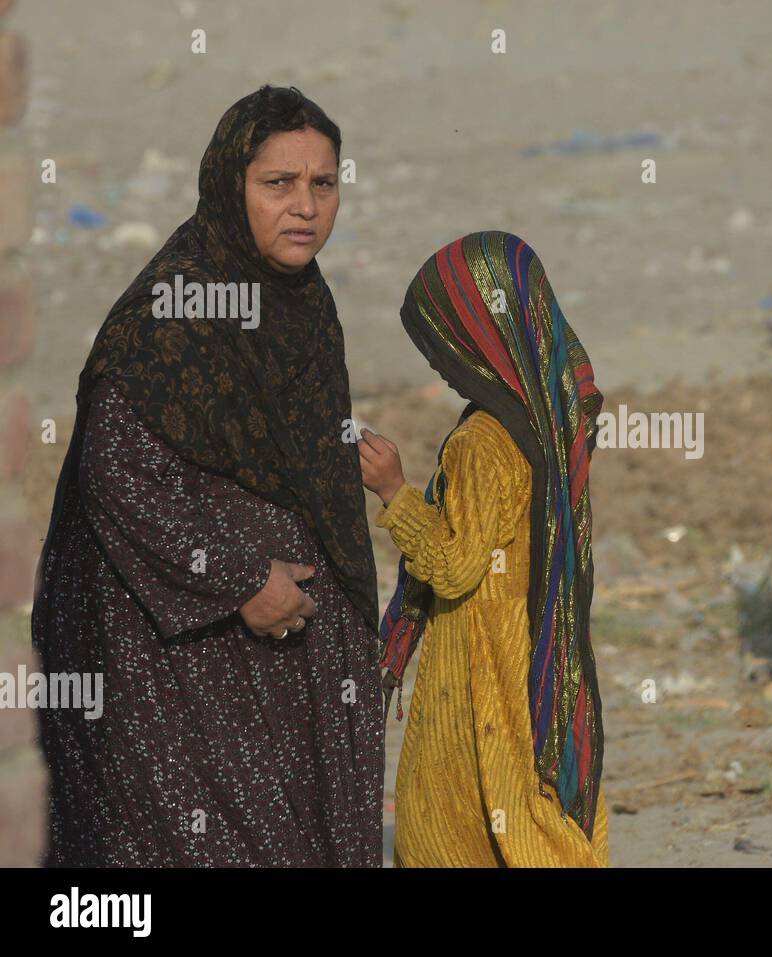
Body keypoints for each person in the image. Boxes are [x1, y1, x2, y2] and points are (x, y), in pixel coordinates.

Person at [30, 86, 383, 866]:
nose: (305, 206)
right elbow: (116, 472)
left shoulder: (300, 301)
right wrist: (239, 578)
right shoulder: (179, 302)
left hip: (271, 657)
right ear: (232, 185)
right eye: (278, 184)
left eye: (323, 184)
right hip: (169, 656)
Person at [359, 230, 609, 867]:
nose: (440, 369)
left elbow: (454, 566)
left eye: (444, 349)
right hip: (535, 650)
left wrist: (396, 495)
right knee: (524, 804)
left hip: (477, 665)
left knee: (448, 817)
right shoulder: (558, 415)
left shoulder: (482, 444)